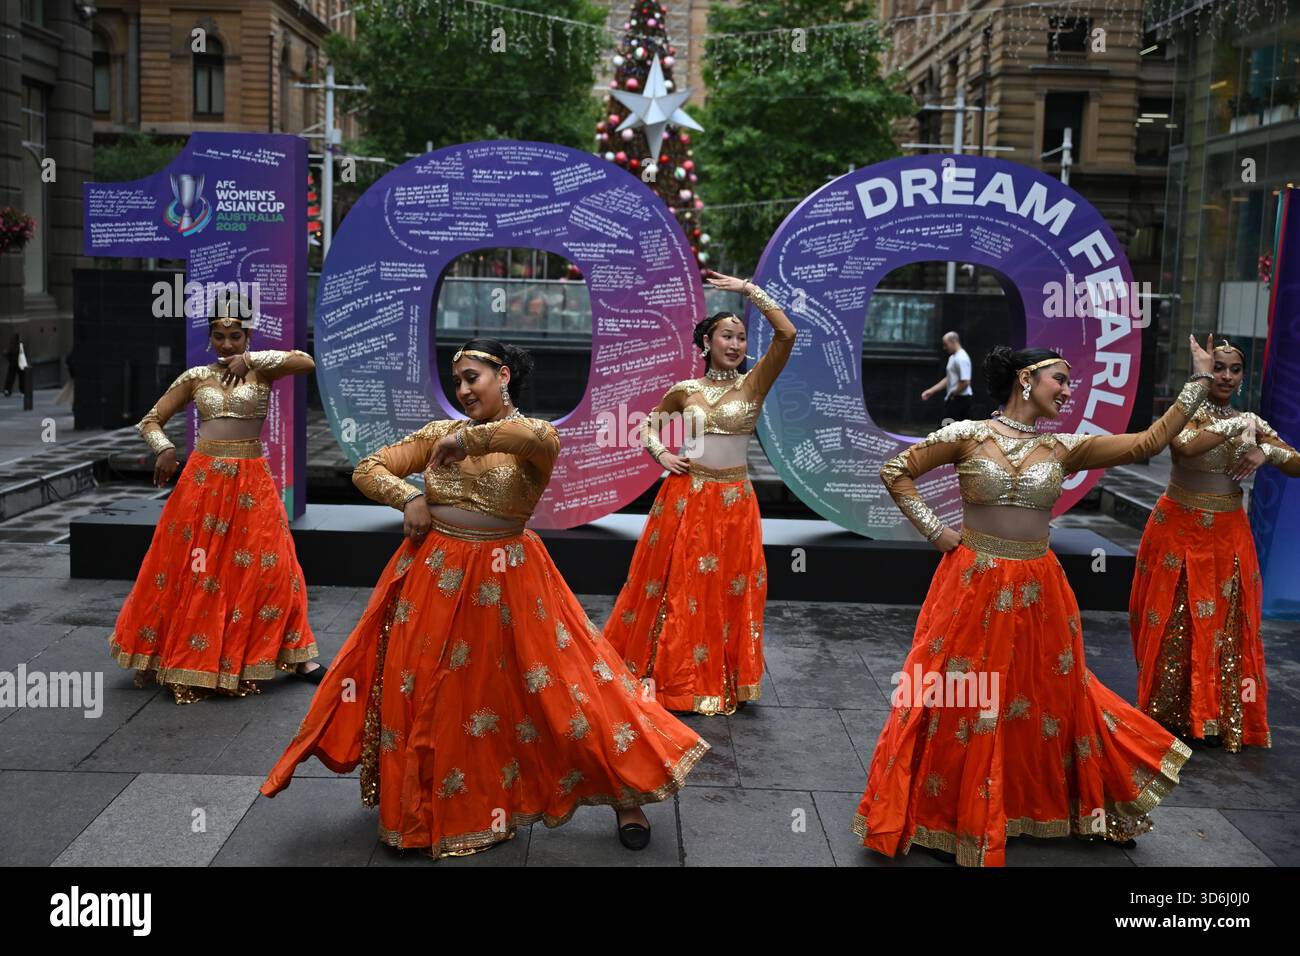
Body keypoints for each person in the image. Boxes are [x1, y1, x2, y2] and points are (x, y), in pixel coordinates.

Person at [261, 338, 709, 858]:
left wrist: (469, 444)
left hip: (509, 579)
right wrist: (410, 495)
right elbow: (368, 467)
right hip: (433, 576)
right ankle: (427, 810)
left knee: (565, 690)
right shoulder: (439, 433)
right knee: (428, 691)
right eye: (457, 381)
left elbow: (523, 437)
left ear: (504, 376)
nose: (464, 389)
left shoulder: (537, 437)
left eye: (473, 377)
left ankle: (626, 793)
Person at [854, 335, 1215, 866]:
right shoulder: (967, 435)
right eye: (1061, 380)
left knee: (1048, 695)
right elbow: (896, 472)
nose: (1069, 391)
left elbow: (1146, 444)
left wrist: (1199, 382)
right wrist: (938, 532)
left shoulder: (1064, 447)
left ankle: (1049, 804)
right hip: (973, 581)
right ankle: (949, 811)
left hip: (1039, 588)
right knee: (961, 694)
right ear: (1028, 380)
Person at [602, 270, 796, 715]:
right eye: (727, 336)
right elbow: (649, 425)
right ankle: (674, 676)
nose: (735, 345)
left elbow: (786, 334)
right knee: (681, 587)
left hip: (733, 502)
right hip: (685, 496)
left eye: (742, 338)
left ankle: (717, 677)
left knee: (727, 588)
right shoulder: (684, 391)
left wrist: (750, 291)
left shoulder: (754, 383)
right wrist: (662, 456)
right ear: (707, 343)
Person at [107, 303, 321, 704]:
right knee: (191, 569)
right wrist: (164, 448)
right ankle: (192, 655)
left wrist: (251, 358)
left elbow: (306, 362)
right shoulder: (196, 377)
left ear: (248, 337)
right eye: (219, 337)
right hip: (202, 483)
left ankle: (298, 655)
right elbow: (149, 420)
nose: (226, 343)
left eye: (235, 336)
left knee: (273, 565)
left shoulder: (262, 368)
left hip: (250, 479)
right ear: (209, 338)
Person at [1130, 340, 1300, 752]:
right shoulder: (1187, 410)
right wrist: (1240, 425)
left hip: (1228, 533)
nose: (1226, 376)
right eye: (1218, 368)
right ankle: (1166, 713)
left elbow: (1295, 462)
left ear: (1244, 376)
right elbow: (1185, 446)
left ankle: (1214, 715)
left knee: (1227, 624)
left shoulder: (1250, 420)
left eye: (1234, 369)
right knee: (1172, 618)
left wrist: (1263, 449)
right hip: (1178, 527)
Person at [921, 331, 973, 424]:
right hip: (956, 399)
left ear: (954, 342)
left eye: (946, 344)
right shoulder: (953, 357)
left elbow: (965, 382)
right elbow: (948, 378)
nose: (944, 348)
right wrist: (931, 391)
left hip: (960, 400)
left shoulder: (961, 358)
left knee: (946, 428)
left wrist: (953, 394)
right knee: (951, 430)